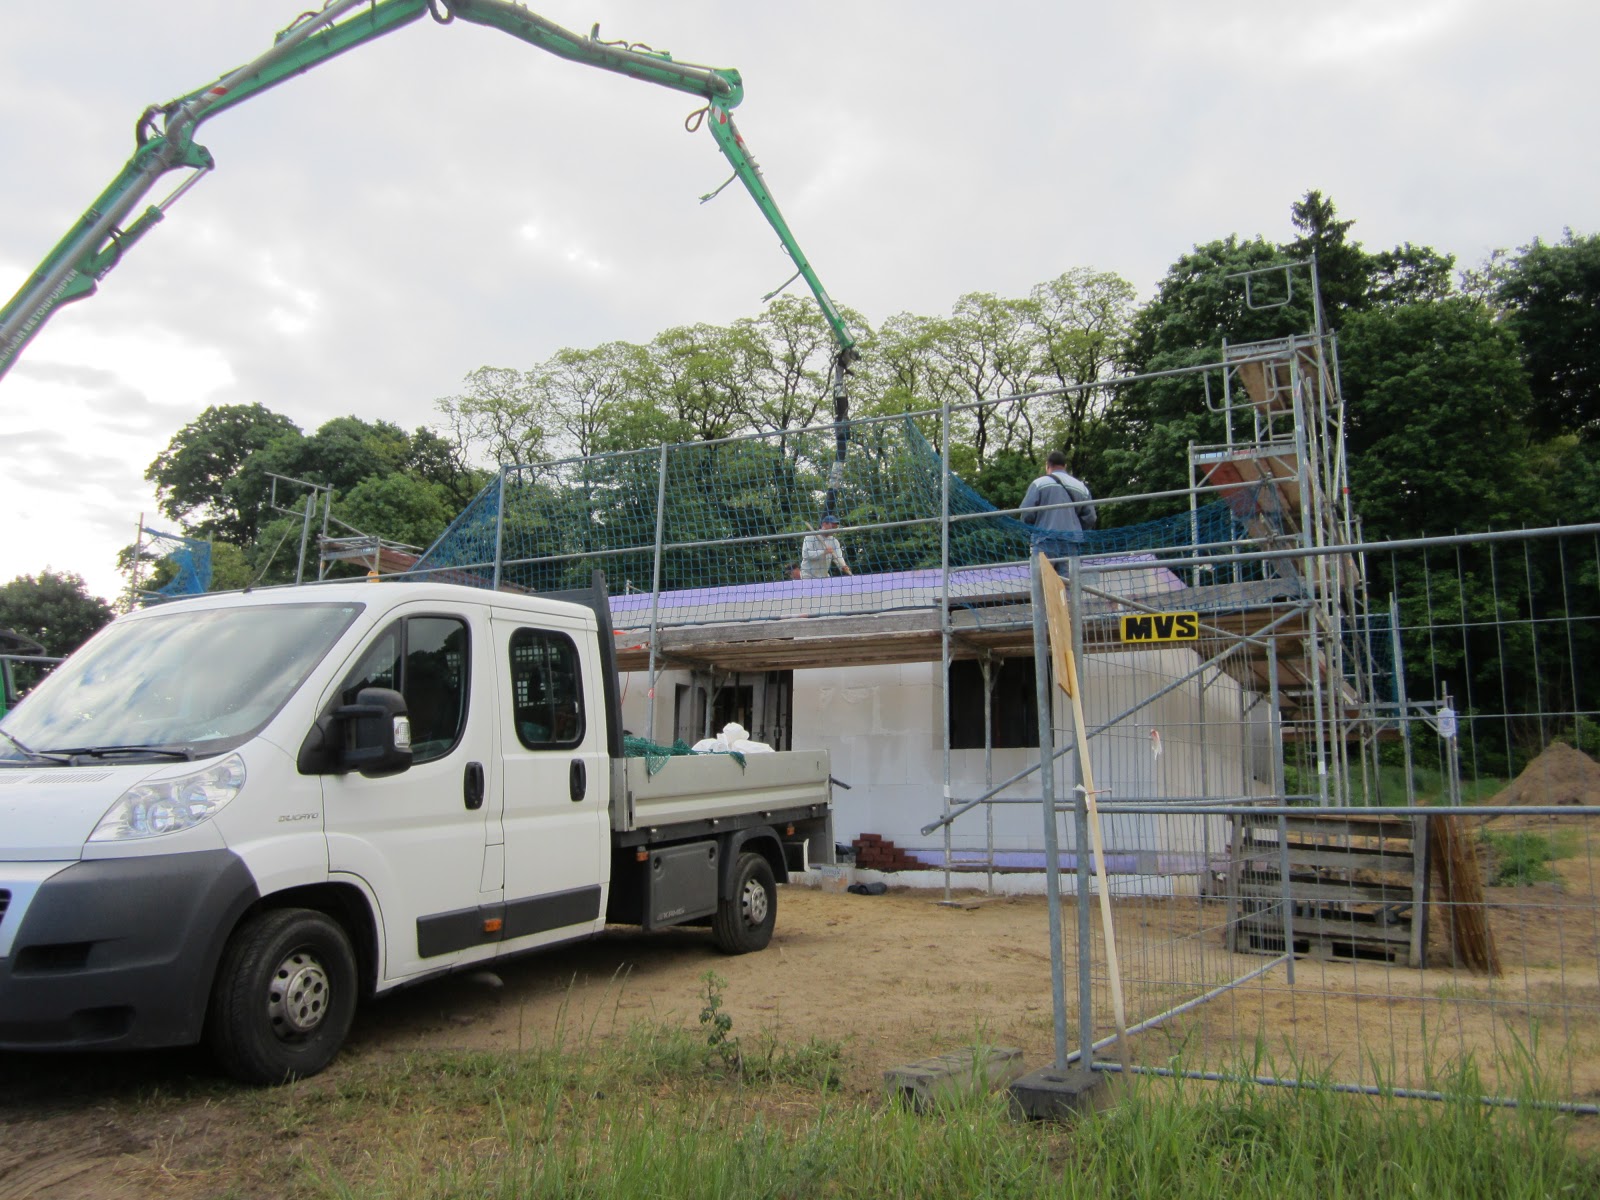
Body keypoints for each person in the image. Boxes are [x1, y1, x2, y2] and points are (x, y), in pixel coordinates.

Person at [1019, 450, 1097, 575]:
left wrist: (1031, 531)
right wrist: (1076, 528)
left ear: (1047, 465)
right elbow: (1091, 517)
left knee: (1042, 584)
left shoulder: (1039, 484)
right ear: (1065, 466)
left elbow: (1026, 514)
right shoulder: (1080, 486)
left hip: (1044, 540)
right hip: (1071, 542)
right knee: (1068, 585)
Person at [799, 514, 852, 579]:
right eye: (832, 527)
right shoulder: (810, 537)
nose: (834, 530)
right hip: (808, 575)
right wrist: (824, 552)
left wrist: (843, 566)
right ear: (824, 524)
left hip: (823, 576)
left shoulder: (834, 541)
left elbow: (838, 557)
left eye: (835, 528)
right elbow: (806, 555)